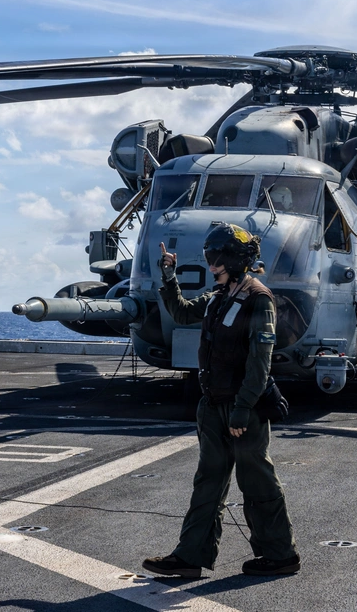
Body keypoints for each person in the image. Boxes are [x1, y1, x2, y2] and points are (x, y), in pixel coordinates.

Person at [142, 222, 300, 578]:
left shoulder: (258, 298)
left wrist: (243, 408)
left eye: (215, 256)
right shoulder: (219, 297)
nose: (210, 263)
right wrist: (169, 277)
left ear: (232, 258)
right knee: (208, 481)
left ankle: (280, 554)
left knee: (256, 479)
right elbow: (182, 312)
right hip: (213, 404)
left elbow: (261, 361)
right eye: (209, 256)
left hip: (243, 407)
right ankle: (189, 557)